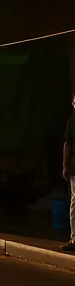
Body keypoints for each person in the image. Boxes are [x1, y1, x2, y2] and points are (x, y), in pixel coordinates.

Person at [62, 94, 75, 251]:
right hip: (74, 168)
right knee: (74, 203)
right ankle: (74, 239)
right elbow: (67, 144)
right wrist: (65, 165)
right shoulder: (72, 123)